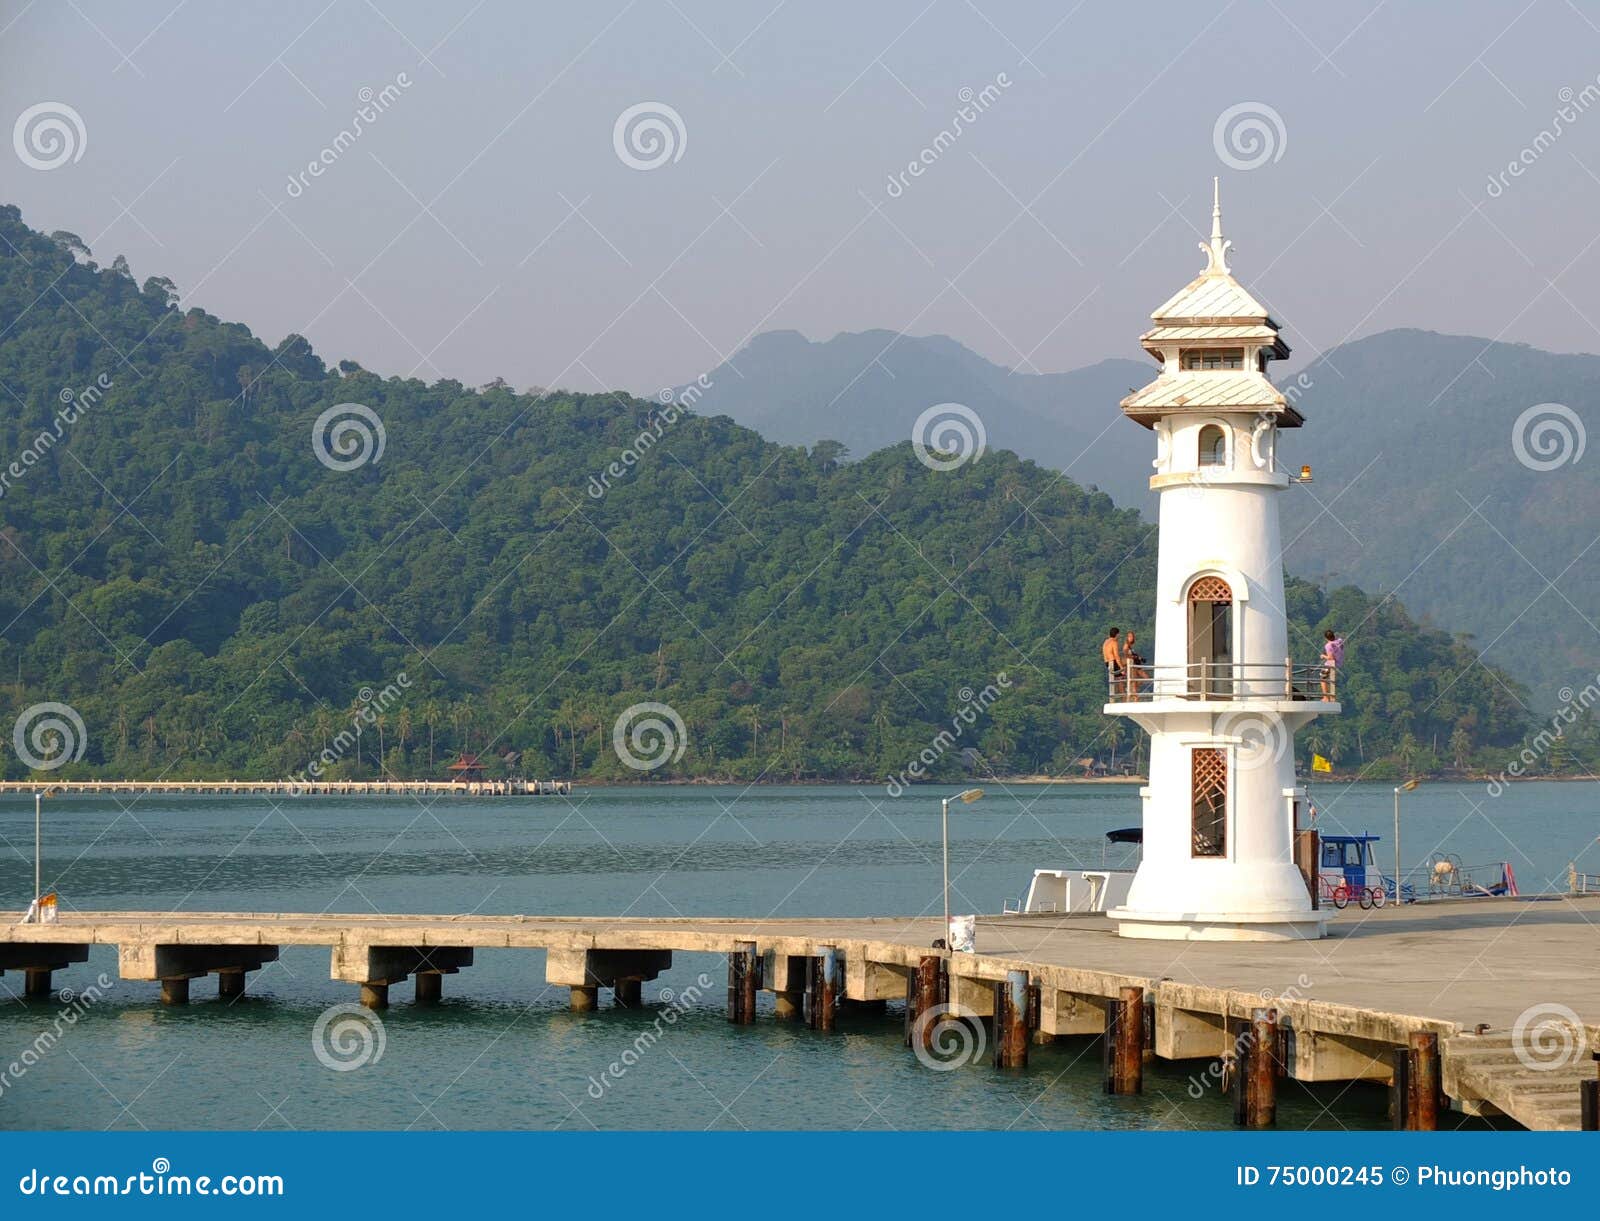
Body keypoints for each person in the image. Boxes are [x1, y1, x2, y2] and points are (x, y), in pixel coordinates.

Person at [1123, 629, 1147, 698]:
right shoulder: (1126, 645)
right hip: (1132, 666)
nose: (1131, 638)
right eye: (1129, 636)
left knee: (1145, 678)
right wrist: (1134, 657)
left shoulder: (1130, 646)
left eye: (1132, 636)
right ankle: (1133, 693)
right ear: (1127, 637)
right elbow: (1126, 654)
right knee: (1134, 681)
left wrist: (1139, 658)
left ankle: (1132, 689)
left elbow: (1133, 655)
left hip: (1137, 665)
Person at [1320, 628, 1344, 698]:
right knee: (1329, 680)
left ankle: (1325, 697)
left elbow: (1331, 658)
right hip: (1339, 663)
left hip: (1330, 665)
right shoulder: (1340, 641)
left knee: (1322, 678)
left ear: (1326, 638)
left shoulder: (1328, 646)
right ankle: (1329, 696)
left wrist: (1323, 656)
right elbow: (1338, 641)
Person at [1101, 627, 1123, 691]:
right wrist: (1121, 667)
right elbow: (1116, 656)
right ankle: (1123, 694)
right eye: (1119, 634)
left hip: (1107, 662)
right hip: (1113, 661)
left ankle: (1118, 692)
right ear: (1116, 634)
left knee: (1116, 678)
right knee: (1121, 678)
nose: (1119, 636)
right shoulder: (1114, 642)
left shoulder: (1106, 641)